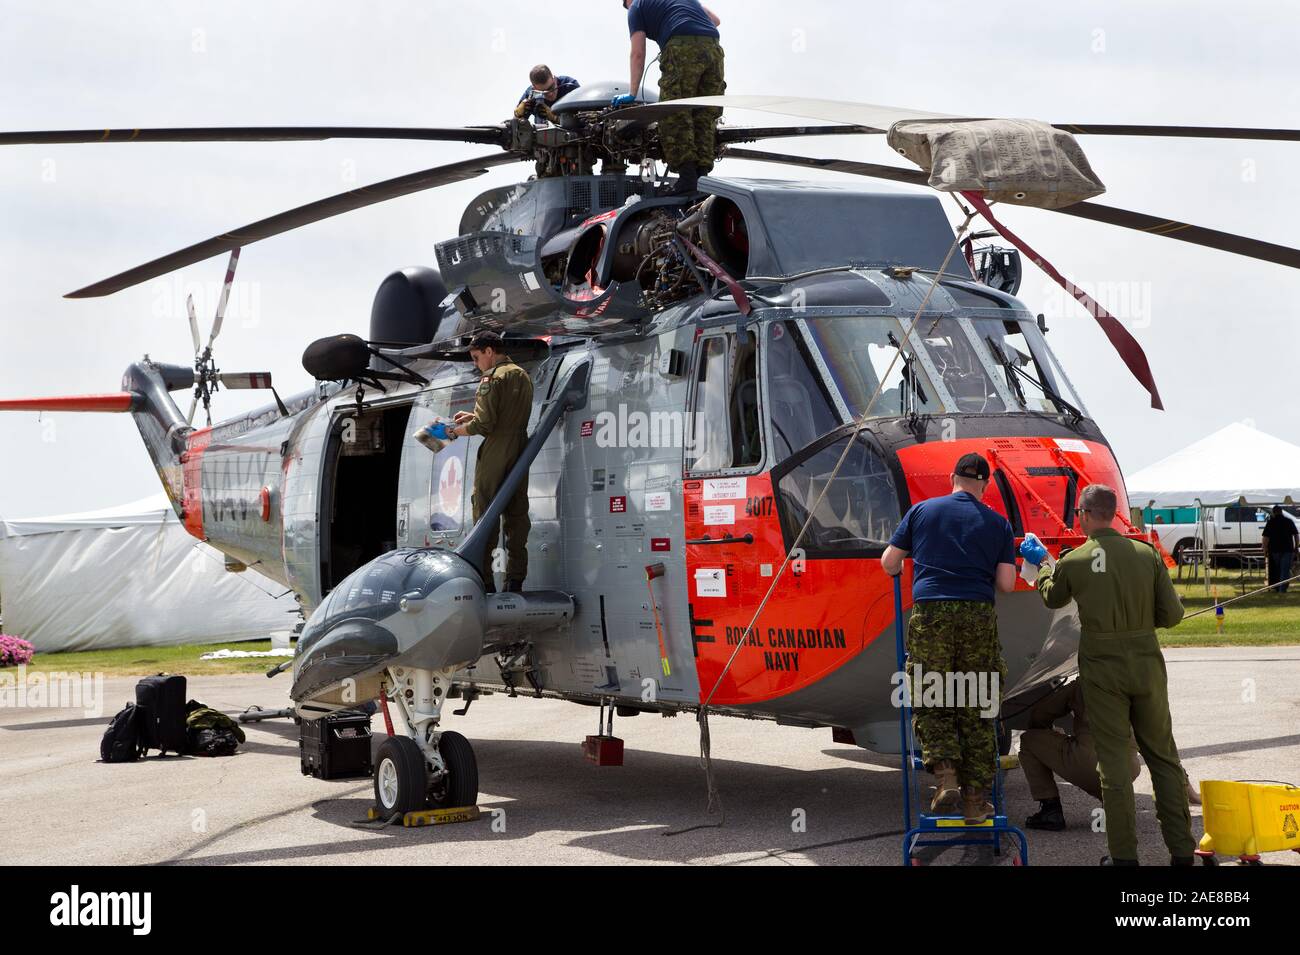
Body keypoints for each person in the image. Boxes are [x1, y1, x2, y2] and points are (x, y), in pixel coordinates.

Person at [1023, 483, 1197, 866]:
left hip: (1103, 671)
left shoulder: (1076, 560)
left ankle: (1124, 858)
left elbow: (1052, 596)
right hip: (1146, 666)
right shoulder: (1146, 554)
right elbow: (1172, 616)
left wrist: (1043, 566)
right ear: (1115, 513)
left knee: (1114, 764)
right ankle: (1183, 853)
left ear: (1084, 514)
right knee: (1163, 758)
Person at [882, 452, 1017, 824]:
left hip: (932, 615)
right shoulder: (998, 523)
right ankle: (976, 801)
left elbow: (890, 563)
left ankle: (946, 777)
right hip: (977, 616)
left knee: (931, 695)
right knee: (977, 705)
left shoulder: (922, 512)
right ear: (985, 486)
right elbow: (1006, 584)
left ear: (952, 477)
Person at [449, 332, 534, 592]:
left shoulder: (491, 378)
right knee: (517, 515)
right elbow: (505, 414)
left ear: (488, 351)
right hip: (520, 447)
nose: (476, 364)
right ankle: (515, 579)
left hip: (497, 449)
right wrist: (472, 415)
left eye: (476, 358)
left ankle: (485, 581)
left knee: (485, 513)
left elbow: (485, 425)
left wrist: (454, 431)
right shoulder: (521, 374)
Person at [617, 0, 725, 195]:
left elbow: (638, 54)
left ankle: (687, 179)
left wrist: (632, 93)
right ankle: (701, 178)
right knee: (704, 114)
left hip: (681, 47)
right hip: (713, 48)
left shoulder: (635, 8)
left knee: (672, 113)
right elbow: (715, 20)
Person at [1019, 679, 1141, 830]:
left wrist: (1048, 733)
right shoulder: (1134, 683)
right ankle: (1114, 808)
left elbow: (1041, 714)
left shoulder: (1084, 684)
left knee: (1029, 739)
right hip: (1129, 767)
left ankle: (1050, 811)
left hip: (1092, 765)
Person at [514, 65, 580, 124]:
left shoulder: (570, 87)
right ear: (535, 89)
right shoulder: (531, 95)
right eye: (544, 92)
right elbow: (516, 127)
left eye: (551, 87)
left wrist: (554, 118)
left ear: (554, 79)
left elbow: (585, 122)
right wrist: (518, 115)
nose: (550, 94)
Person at [1262, 505, 1299, 594]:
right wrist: (1296, 547)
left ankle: (1279, 588)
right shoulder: (1289, 521)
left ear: (1274, 513)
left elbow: (1265, 537)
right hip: (1287, 549)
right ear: (1281, 511)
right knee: (1285, 569)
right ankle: (1282, 589)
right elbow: (1296, 535)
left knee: (1278, 569)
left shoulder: (1271, 522)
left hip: (1274, 550)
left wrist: (1265, 549)